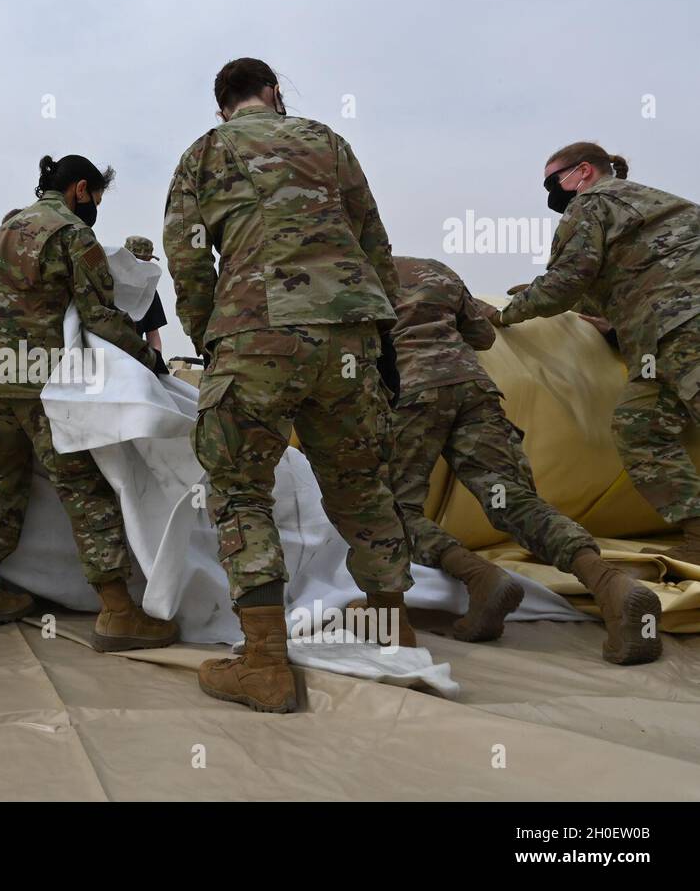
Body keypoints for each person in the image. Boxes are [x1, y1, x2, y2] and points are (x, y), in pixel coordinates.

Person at [164, 57, 411, 713]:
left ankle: (266, 664)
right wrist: (379, 336)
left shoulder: (204, 153)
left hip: (256, 332)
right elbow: (374, 243)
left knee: (242, 491)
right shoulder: (328, 141)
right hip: (350, 332)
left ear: (223, 107)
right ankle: (396, 633)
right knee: (361, 484)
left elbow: (187, 258)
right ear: (273, 93)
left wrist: (207, 338)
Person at [389, 256, 661, 662]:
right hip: (475, 390)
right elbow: (482, 337)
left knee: (393, 512)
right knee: (510, 499)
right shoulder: (433, 270)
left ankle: (479, 576)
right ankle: (609, 584)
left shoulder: (345, 279)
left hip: (412, 398)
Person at [0, 154, 178, 652]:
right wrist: (149, 359)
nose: (96, 207)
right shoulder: (70, 234)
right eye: (97, 197)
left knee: (3, 483)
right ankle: (119, 611)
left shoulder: (0, 231)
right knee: (83, 486)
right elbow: (100, 314)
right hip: (39, 381)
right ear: (81, 190)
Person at [500, 143, 700, 586]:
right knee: (639, 424)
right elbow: (626, 279)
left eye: (554, 182)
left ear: (583, 172)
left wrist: (500, 316)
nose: (553, 194)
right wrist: (613, 327)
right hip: (662, 334)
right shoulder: (654, 207)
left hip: (684, 323)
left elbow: (566, 281)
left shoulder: (594, 201)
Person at [124, 235, 168, 353]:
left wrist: (157, 361)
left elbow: (153, 335)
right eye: (138, 259)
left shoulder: (149, 291)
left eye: (146, 261)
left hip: (135, 360)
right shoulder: (107, 284)